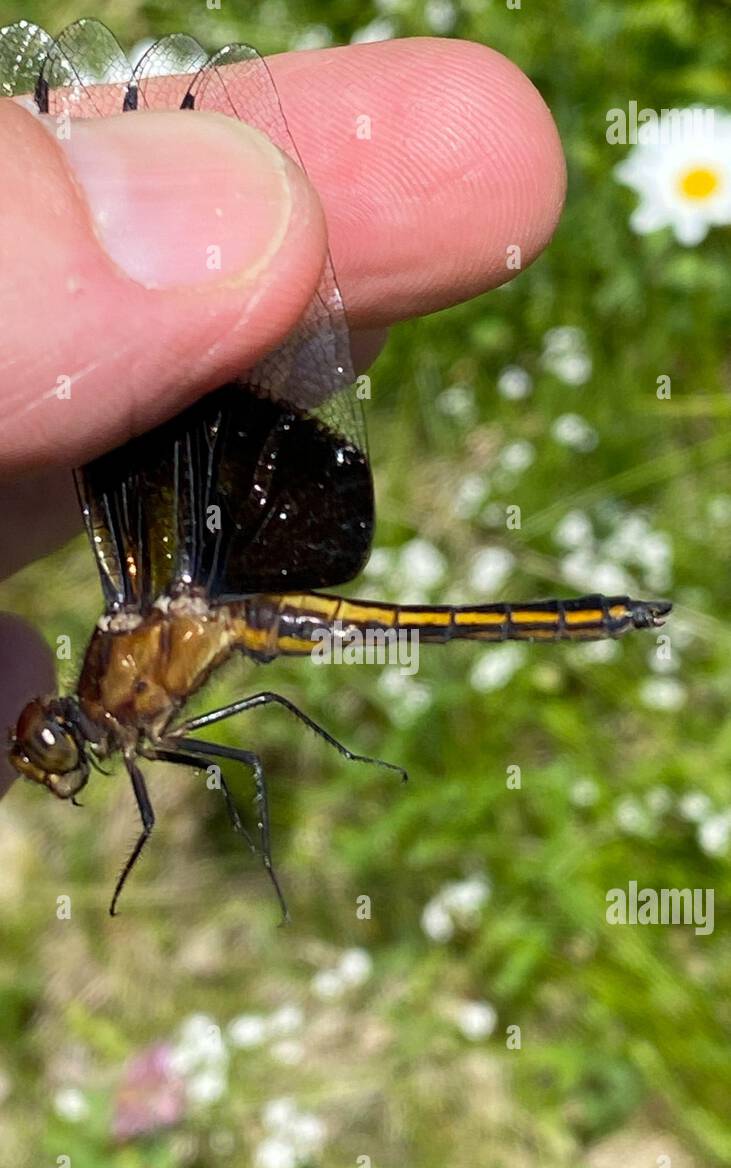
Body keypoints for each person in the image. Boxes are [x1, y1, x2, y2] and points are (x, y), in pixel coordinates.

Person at [0, 36, 565, 794]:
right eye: (51, 744)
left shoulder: (133, 638)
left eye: (50, 742)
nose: (56, 750)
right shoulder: (124, 692)